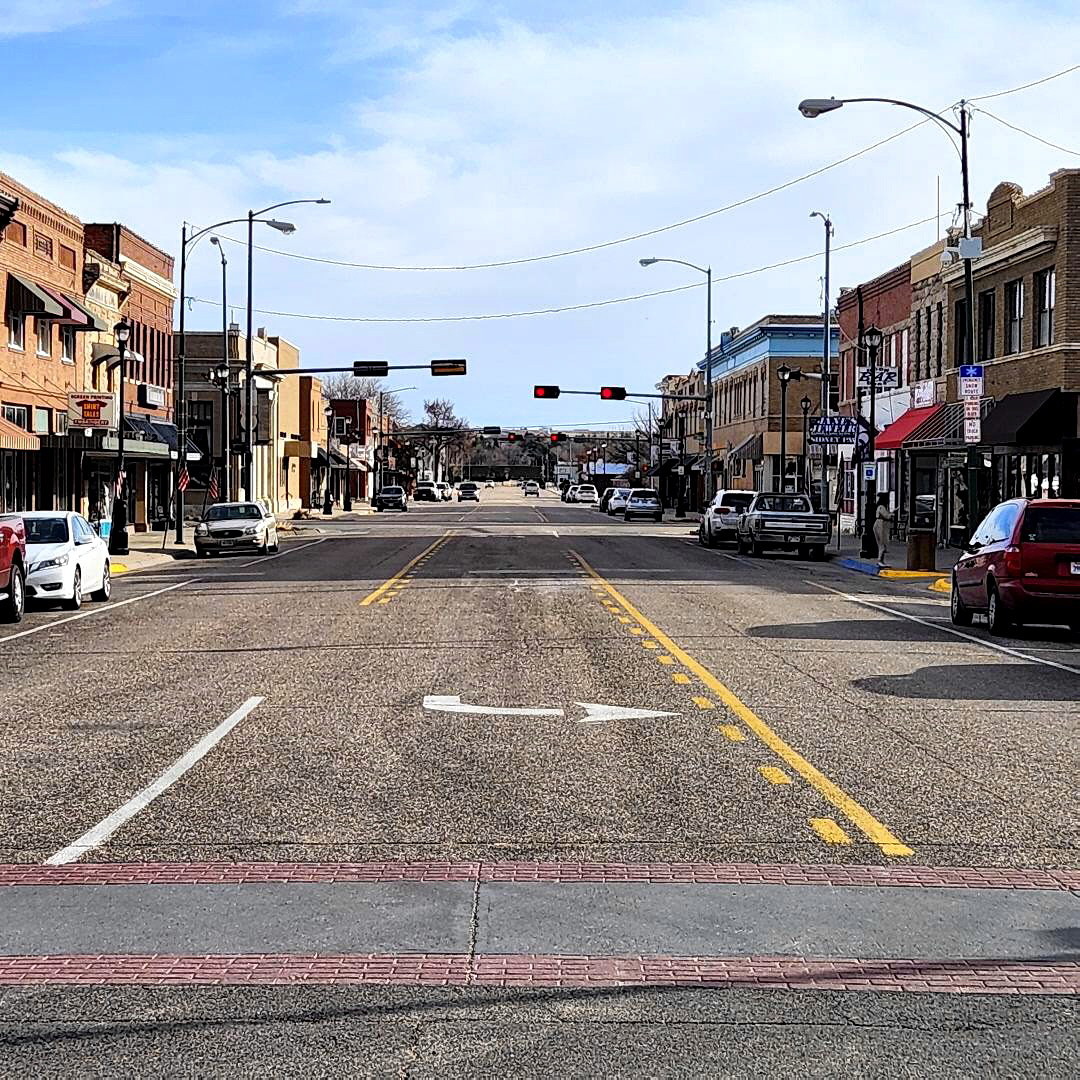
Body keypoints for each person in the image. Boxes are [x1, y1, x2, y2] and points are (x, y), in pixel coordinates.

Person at [874, 494, 893, 567]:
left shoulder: (880, 507)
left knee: (882, 543)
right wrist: (891, 514)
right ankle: (880, 560)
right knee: (882, 543)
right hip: (881, 525)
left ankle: (882, 561)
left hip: (880, 524)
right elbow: (886, 516)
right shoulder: (882, 507)